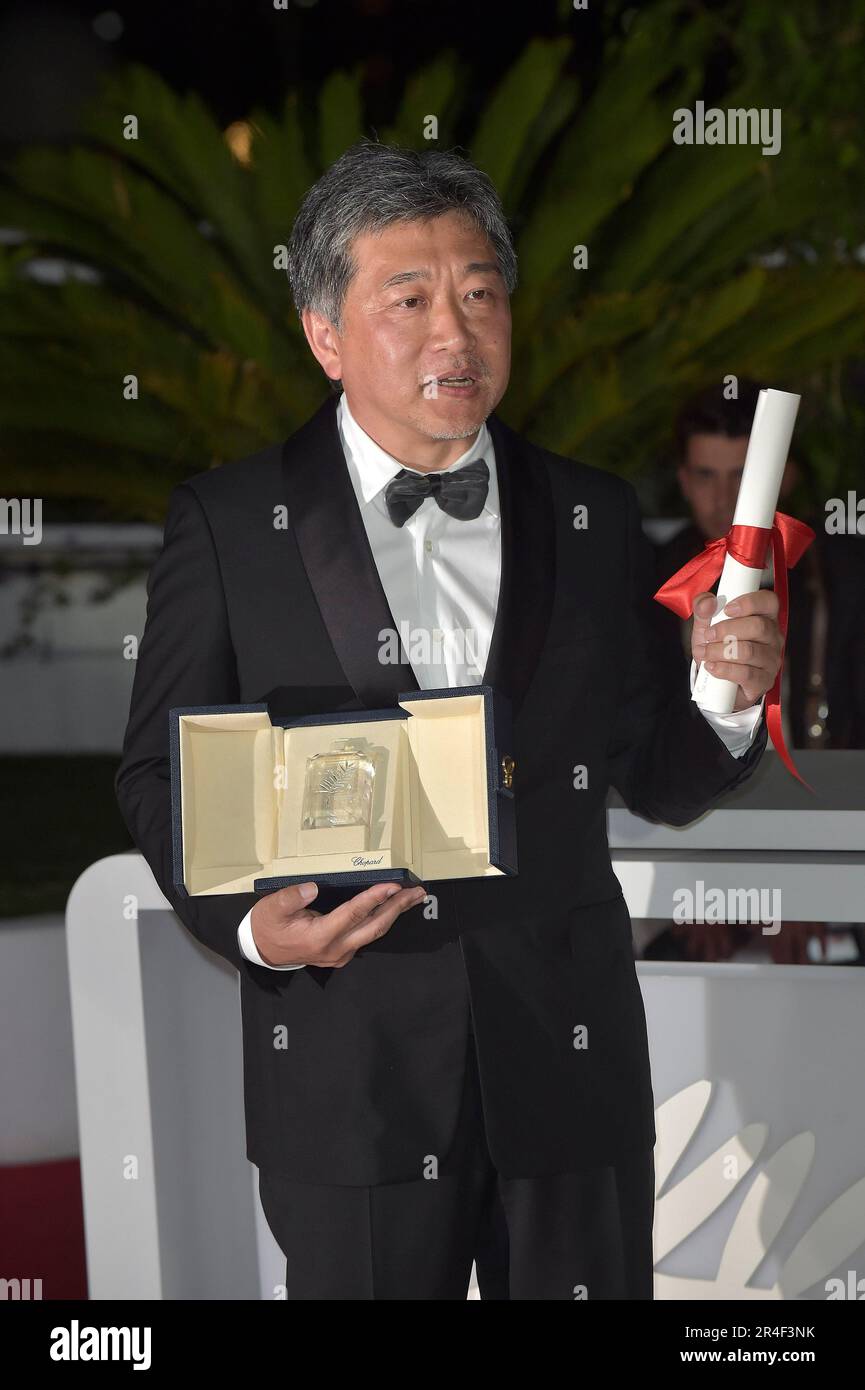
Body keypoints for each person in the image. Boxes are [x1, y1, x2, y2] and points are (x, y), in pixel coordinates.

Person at [115, 142, 783, 1300]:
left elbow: (654, 770)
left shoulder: (590, 514)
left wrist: (726, 701)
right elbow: (155, 773)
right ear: (324, 334)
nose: (455, 334)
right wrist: (254, 929)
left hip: (566, 1061)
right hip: (349, 1066)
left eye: (479, 294)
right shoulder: (229, 524)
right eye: (410, 299)